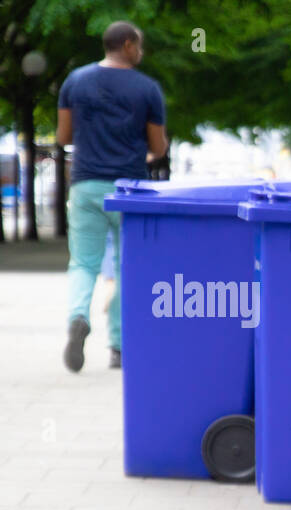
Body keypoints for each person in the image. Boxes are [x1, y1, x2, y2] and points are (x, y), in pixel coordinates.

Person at [56, 20, 167, 372]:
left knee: (83, 262)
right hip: (128, 191)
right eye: (141, 45)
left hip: (86, 184)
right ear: (129, 45)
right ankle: (119, 347)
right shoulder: (147, 89)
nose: (142, 52)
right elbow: (158, 147)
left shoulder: (75, 81)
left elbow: (62, 136)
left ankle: (77, 315)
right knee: (126, 266)